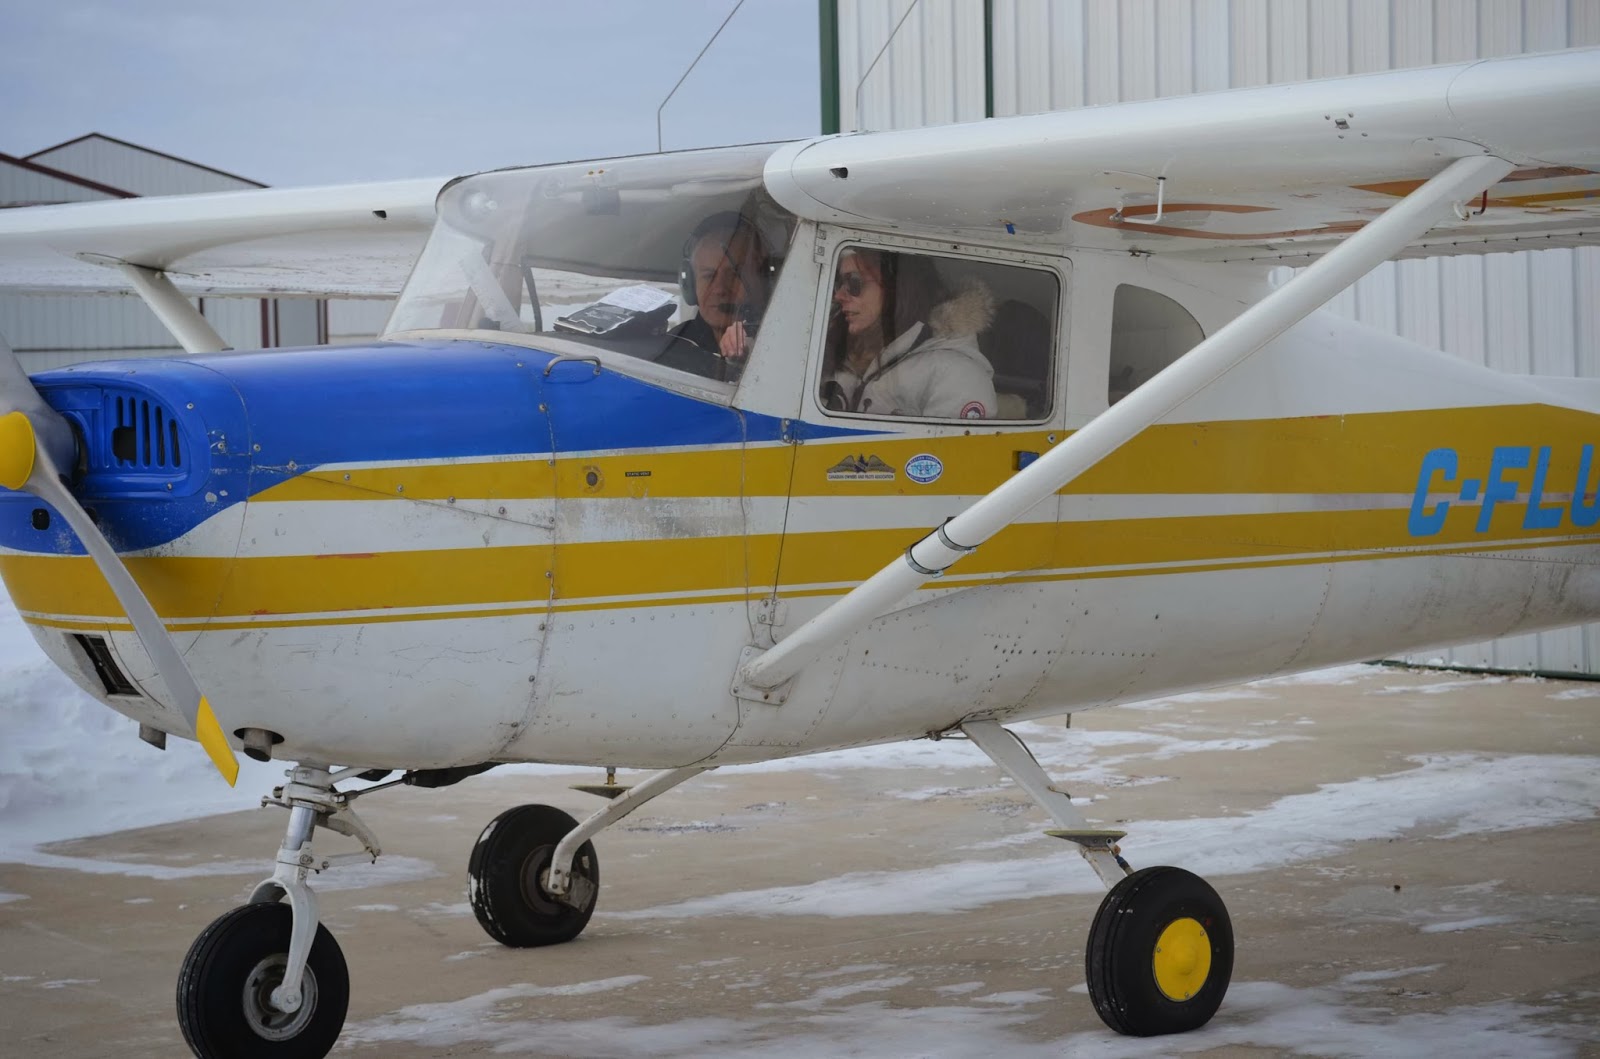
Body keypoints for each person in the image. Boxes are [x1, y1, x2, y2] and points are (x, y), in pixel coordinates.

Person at [821, 249, 997, 419]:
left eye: (854, 282)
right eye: (839, 283)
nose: (839, 295)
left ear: (896, 287)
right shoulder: (839, 352)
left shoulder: (957, 376)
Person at [663, 213, 771, 381]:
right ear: (690, 284)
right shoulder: (675, 345)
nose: (720, 289)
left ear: (762, 281)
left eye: (734, 275)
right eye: (708, 276)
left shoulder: (779, 344)